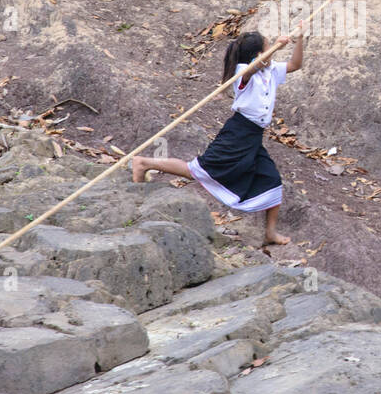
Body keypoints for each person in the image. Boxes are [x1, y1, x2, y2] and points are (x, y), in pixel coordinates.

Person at [131, 25, 305, 245]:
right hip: (238, 133)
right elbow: (251, 68)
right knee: (198, 170)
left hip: (254, 136)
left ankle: (270, 232)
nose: (271, 50)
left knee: (272, 179)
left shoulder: (270, 71)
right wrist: (276, 49)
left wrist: (300, 39)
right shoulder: (242, 72)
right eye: (268, 48)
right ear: (259, 55)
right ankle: (143, 163)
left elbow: (295, 64)